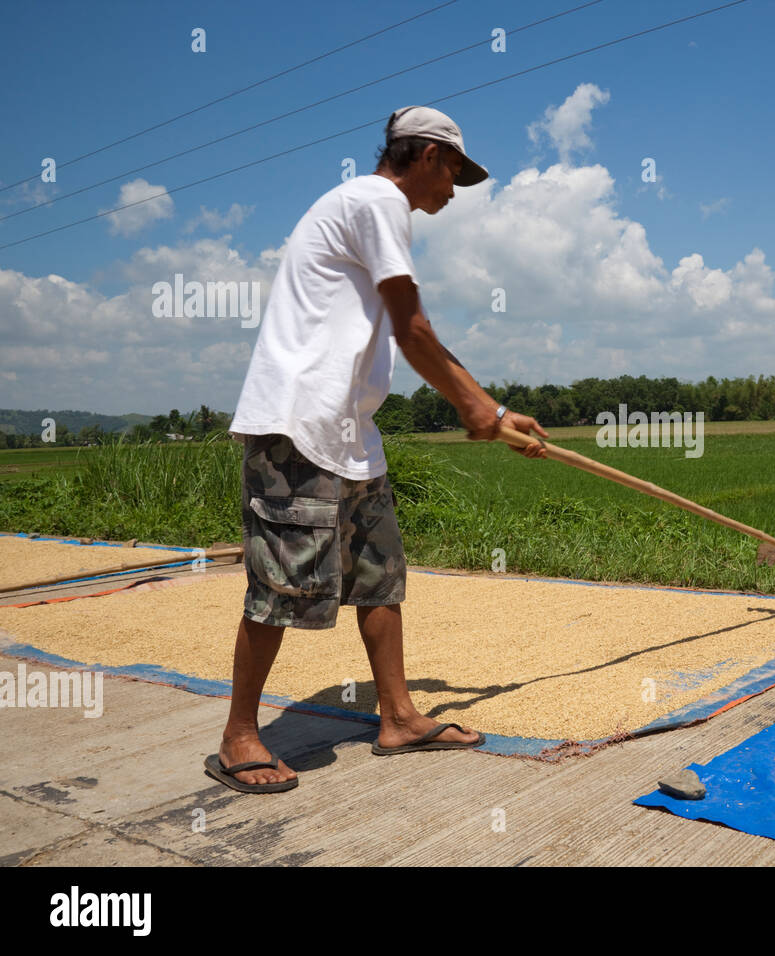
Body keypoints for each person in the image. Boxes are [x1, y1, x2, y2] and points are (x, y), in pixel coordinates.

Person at [206, 106, 548, 793]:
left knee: (380, 576)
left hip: (350, 434)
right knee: (281, 586)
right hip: (300, 427)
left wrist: (495, 409)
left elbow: (413, 332)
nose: (455, 187)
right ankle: (240, 734)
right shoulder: (375, 200)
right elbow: (411, 323)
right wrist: (479, 408)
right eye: (454, 169)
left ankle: (397, 715)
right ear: (424, 155)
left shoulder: (372, 209)